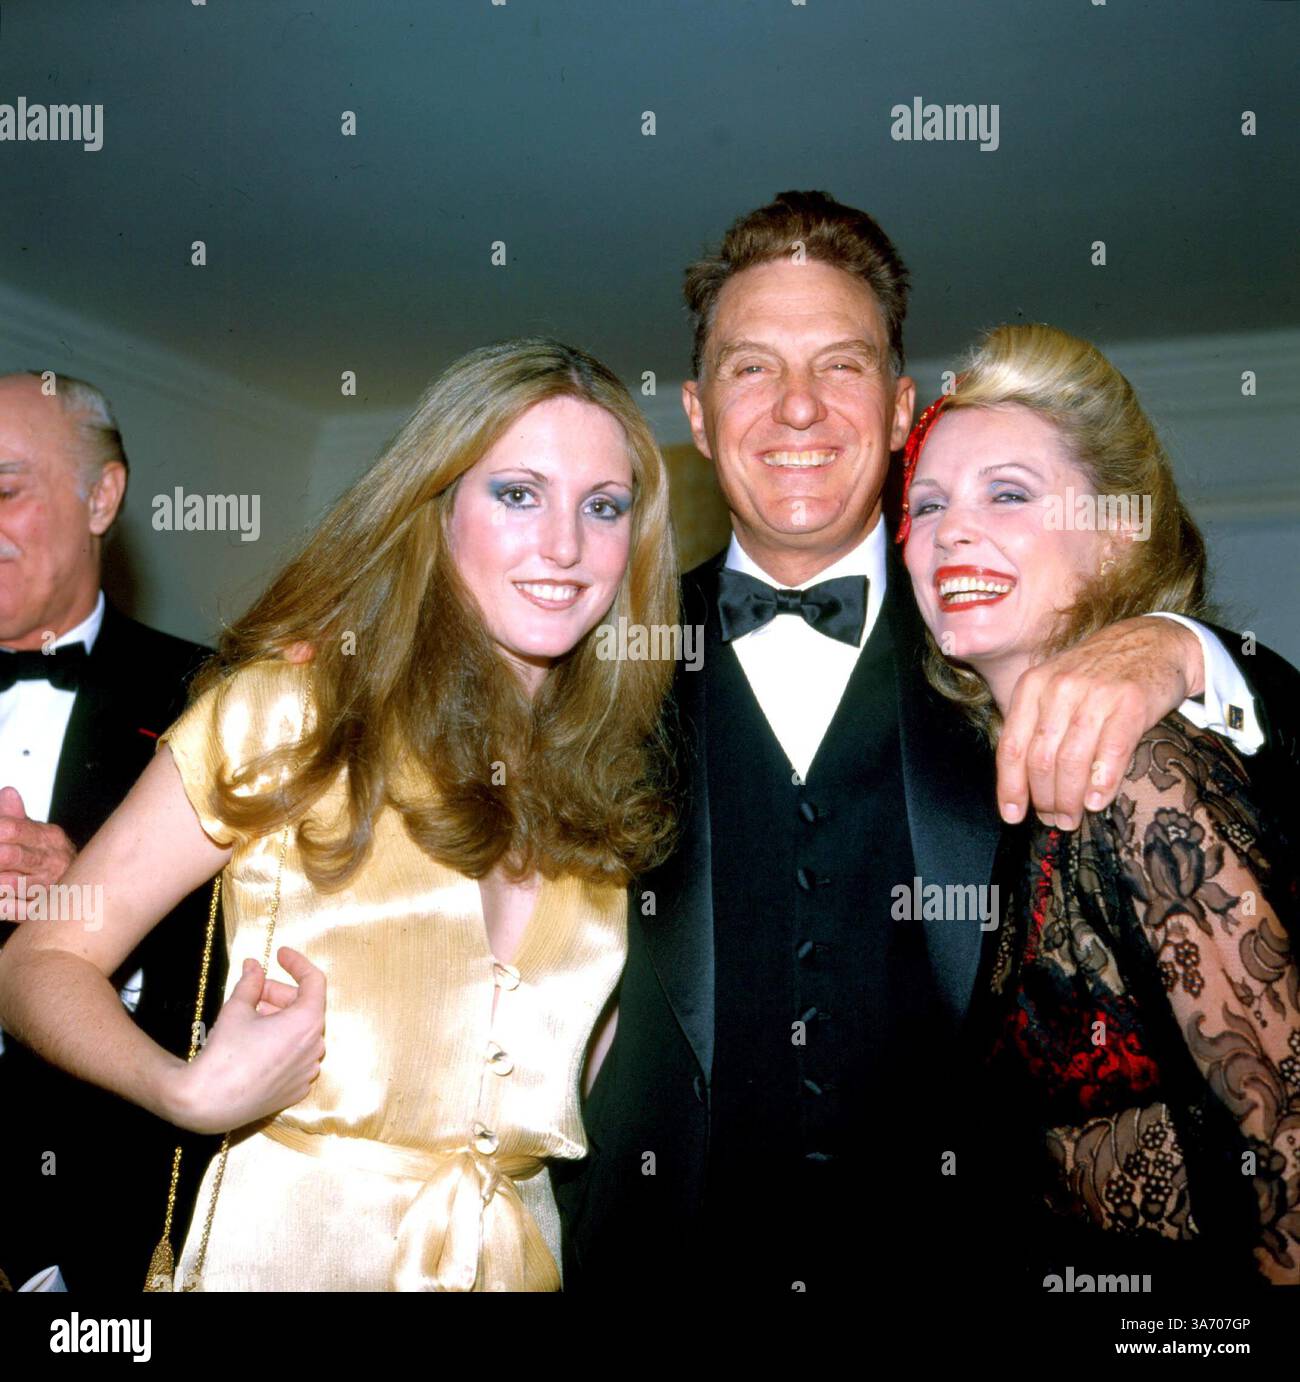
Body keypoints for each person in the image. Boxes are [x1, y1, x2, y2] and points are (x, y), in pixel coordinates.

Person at [552, 190, 1300, 1293]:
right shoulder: (592, 655)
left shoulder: (1007, 632)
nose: (797, 408)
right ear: (698, 413)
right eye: (753, 367)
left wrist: (1178, 644)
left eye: (840, 364)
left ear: (901, 404)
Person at [0, 338, 679, 1292]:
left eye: (603, 508)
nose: (564, 546)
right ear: (435, 510)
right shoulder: (291, 714)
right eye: (518, 494)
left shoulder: (607, 797)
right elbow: (37, 961)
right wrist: (184, 1090)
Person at [899, 322, 1300, 1288]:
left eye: (1008, 493)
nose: (953, 529)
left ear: (1120, 530)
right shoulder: (1010, 783)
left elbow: (1286, 1153)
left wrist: (1180, 643)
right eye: (925, 503)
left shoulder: (1141, 768)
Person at [0, 371, 221, 1293]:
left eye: (4, 489)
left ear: (102, 497)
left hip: (97, 1235)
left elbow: (243, 962)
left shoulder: (214, 696)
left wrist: (98, 914)